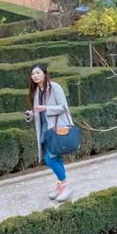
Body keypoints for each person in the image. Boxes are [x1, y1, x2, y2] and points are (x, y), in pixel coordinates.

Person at [26, 63, 74, 203]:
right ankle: (61, 185)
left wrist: (45, 108)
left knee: (49, 159)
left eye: (38, 73)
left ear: (44, 74)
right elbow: (39, 112)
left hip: (56, 129)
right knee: (55, 158)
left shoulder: (55, 87)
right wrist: (32, 114)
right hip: (45, 131)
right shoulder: (36, 91)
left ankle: (66, 185)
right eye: (33, 74)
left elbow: (63, 107)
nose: (35, 76)